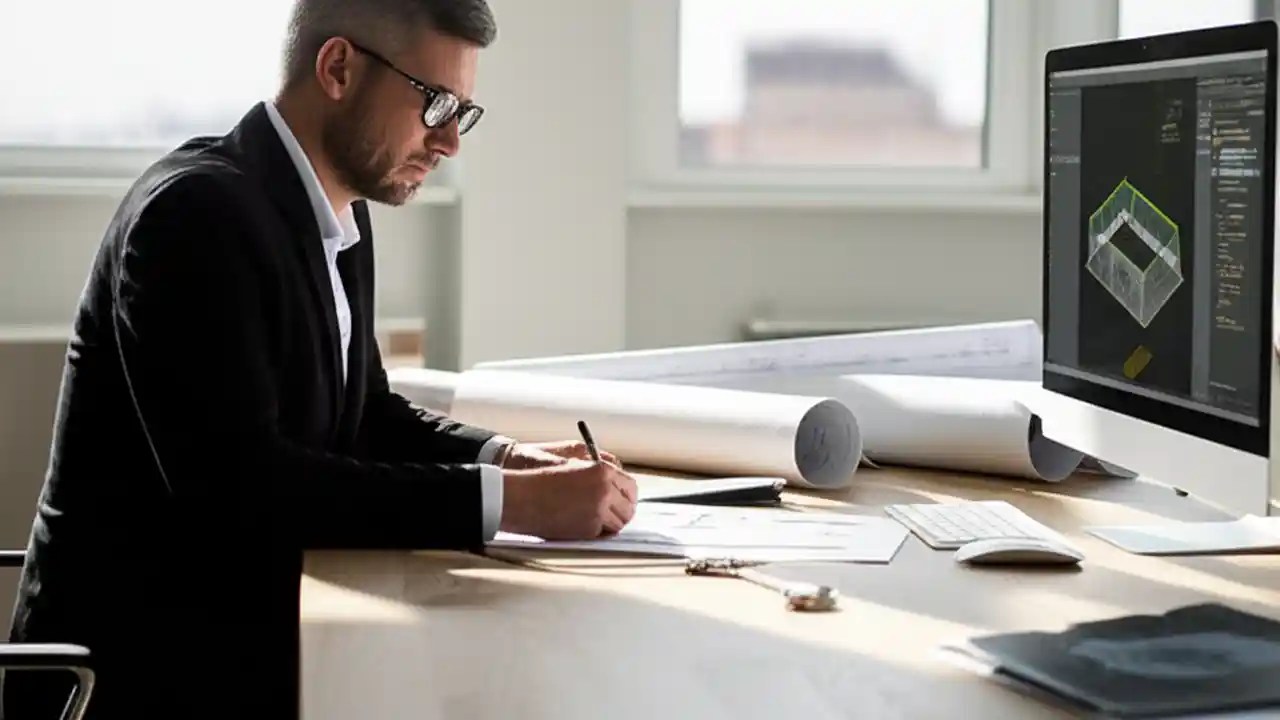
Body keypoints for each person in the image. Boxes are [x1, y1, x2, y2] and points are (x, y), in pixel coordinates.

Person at [2, 1, 637, 717]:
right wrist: (512, 505)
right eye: (435, 103)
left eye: (464, 110)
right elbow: (244, 493)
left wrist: (508, 459)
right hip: (142, 677)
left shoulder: (336, 206)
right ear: (337, 67)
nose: (451, 140)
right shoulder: (194, 217)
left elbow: (363, 411)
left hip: (252, 639)